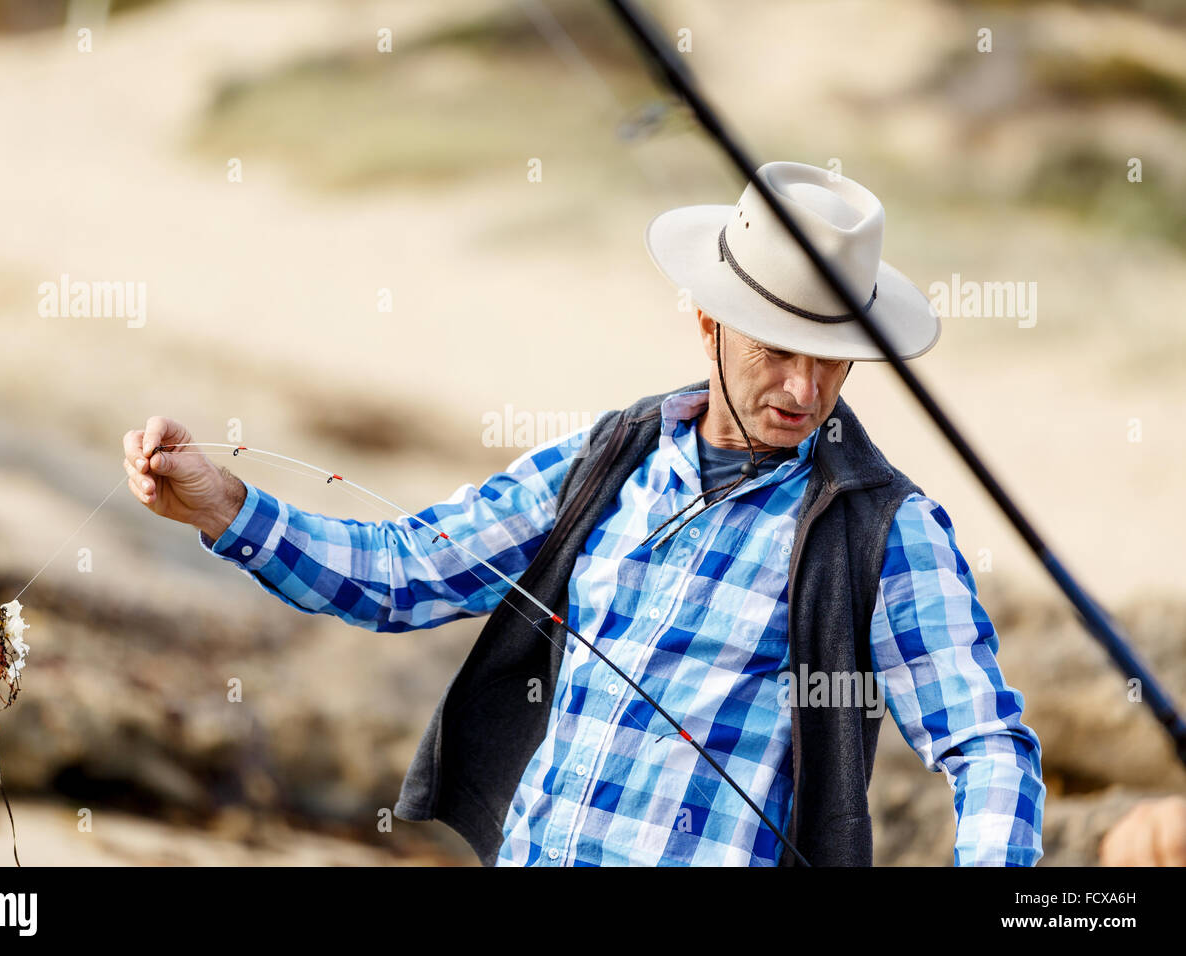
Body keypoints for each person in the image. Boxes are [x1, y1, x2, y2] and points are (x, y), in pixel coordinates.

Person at [122, 161, 1045, 866]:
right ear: (709, 323)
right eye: (780, 350)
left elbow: (988, 747)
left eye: (835, 359)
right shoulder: (610, 458)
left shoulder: (886, 532)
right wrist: (228, 507)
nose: (807, 390)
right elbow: (408, 573)